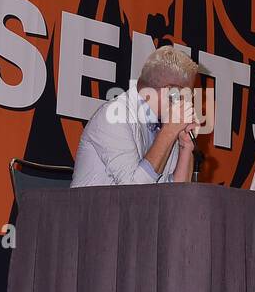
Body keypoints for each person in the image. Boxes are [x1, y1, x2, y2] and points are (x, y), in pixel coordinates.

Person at [71, 45, 201, 187]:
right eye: (188, 93)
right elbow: (133, 189)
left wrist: (185, 146)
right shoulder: (114, 116)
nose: (190, 100)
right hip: (93, 209)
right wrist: (169, 131)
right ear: (171, 92)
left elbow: (175, 194)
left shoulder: (165, 125)